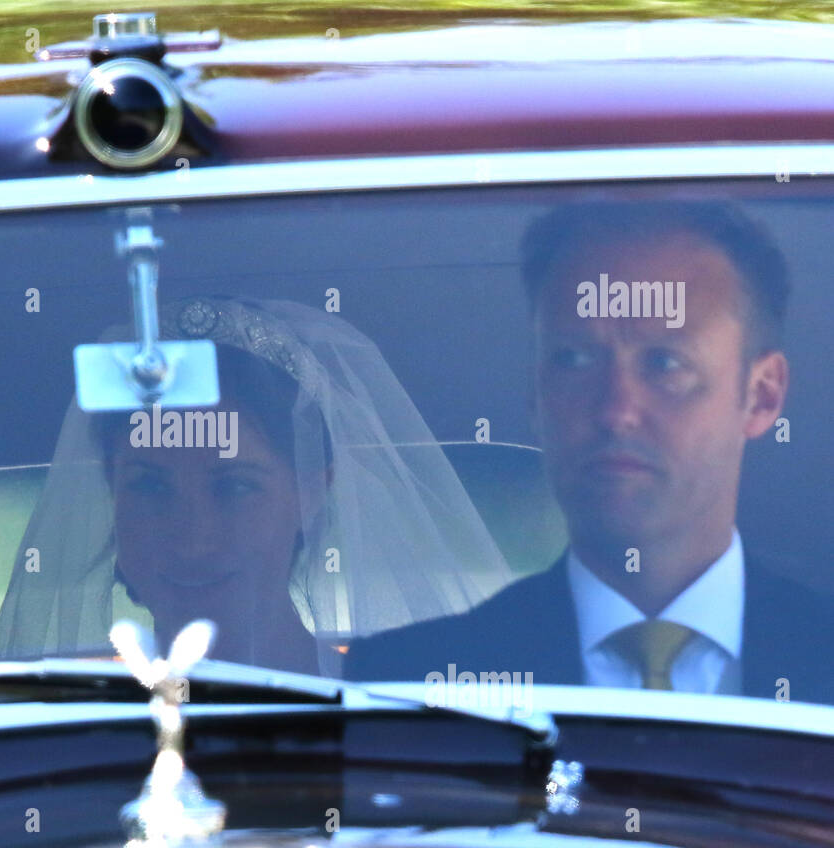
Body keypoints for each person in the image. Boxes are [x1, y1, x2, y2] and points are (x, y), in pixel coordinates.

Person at [347, 202, 834, 705]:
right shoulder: (406, 684)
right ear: (535, 393)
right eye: (573, 359)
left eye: (665, 363)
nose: (616, 410)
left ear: (762, 396)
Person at [0, 296, 512, 674]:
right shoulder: (56, 733)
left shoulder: (397, 723)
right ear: (111, 489)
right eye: (149, 487)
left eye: (234, 488)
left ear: (311, 492)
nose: (192, 538)